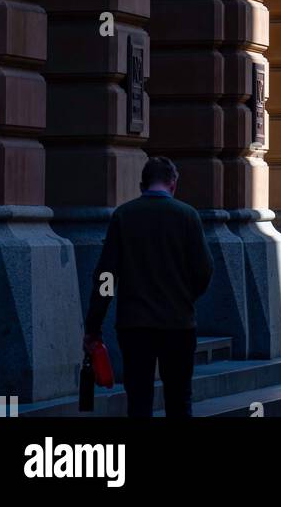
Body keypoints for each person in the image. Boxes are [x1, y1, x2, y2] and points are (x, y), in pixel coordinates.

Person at [84, 155, 214, 418]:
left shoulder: (124, 216)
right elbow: (204, 269)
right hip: (178, 323)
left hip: (135, 325)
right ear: (173, 184)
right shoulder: (188, 216)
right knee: (179, 399)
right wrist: (186, 296)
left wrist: (94, 324)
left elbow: (107, 276)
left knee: (139, 399)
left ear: (142, 185)